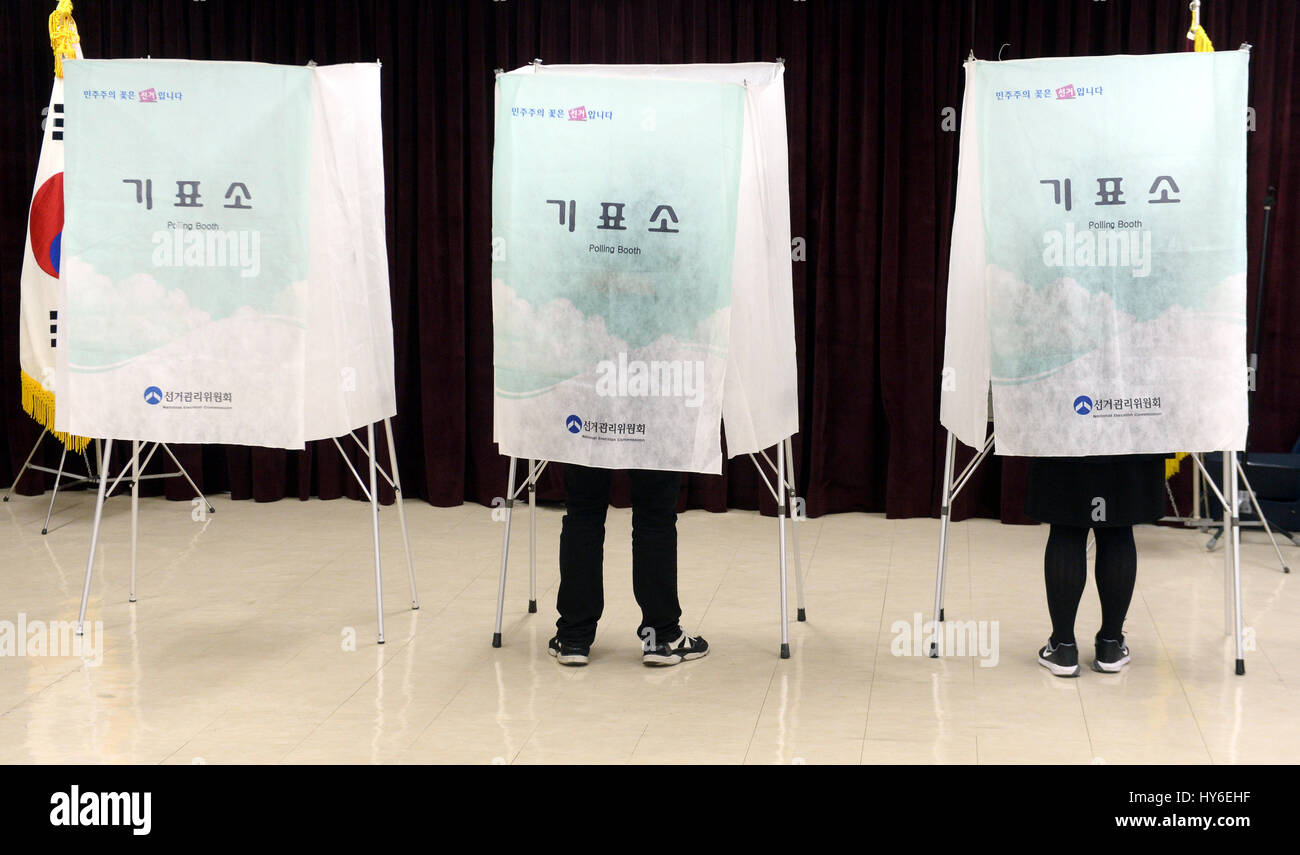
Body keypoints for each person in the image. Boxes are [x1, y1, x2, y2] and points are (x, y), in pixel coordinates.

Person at [548, 464, 709, 667]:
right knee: (654, 514)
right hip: (654, 433)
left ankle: (573, 637)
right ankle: (661, 638)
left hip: (588, 435)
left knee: (583, 511)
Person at [1025, 454, 1166, 677]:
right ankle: (1111, 644)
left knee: (1066, 527)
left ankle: (1062, 646)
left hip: (1066, 437)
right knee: (1119, 528)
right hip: (1127, 434)